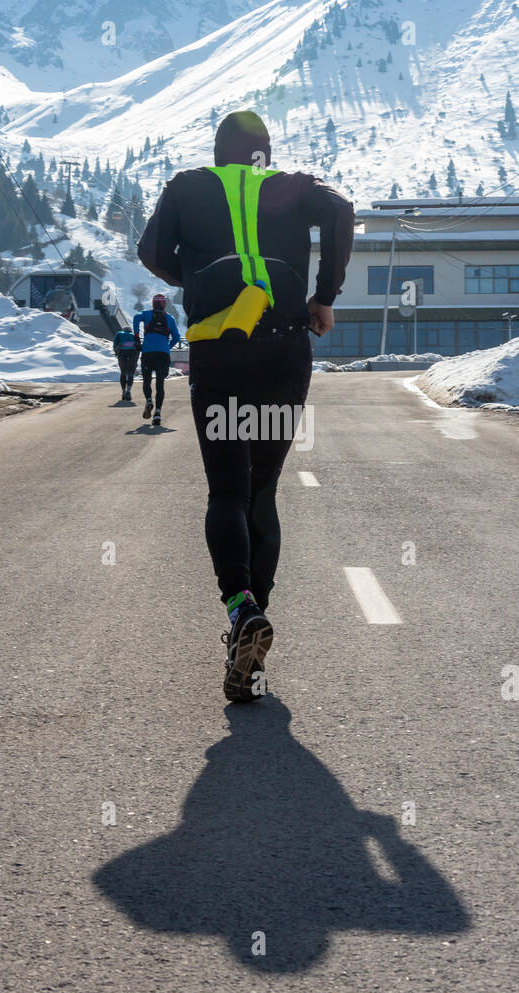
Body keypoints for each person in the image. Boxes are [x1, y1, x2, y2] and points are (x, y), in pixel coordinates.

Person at [138, 109, 353, 701]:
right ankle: (250, 640)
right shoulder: (291, 185)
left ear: (218, 152)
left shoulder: (187, 186)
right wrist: (323, 296)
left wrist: (201, 277)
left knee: (227, 491)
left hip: (220, 348)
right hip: (285, 349)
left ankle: (240, 610)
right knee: (262, 492)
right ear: (264, 151)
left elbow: (150, 249)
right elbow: (341, 210)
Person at [133, 293, 180, 426]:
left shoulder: (147, 314)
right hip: (162, 355)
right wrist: (167, 346)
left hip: (148, 352)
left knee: (147, 381)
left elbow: (136, 317)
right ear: (165, 305)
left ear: (153, 304)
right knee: (160, 384)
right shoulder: (170, 318)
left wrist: (136, 336)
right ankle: (157, 414)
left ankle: (148, 400)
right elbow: (176, 337)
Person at [113, 324, 140, 401]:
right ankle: (128, 390)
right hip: (132, 354)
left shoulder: (119, 334)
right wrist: (136, 358)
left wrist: (117, 352)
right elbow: (138, 346)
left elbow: (115, 344)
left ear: (123, 330)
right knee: (131, 373)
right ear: (130, 331)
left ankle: (123, 392)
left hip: (122, 353)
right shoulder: (134, 335)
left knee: (123, 372)